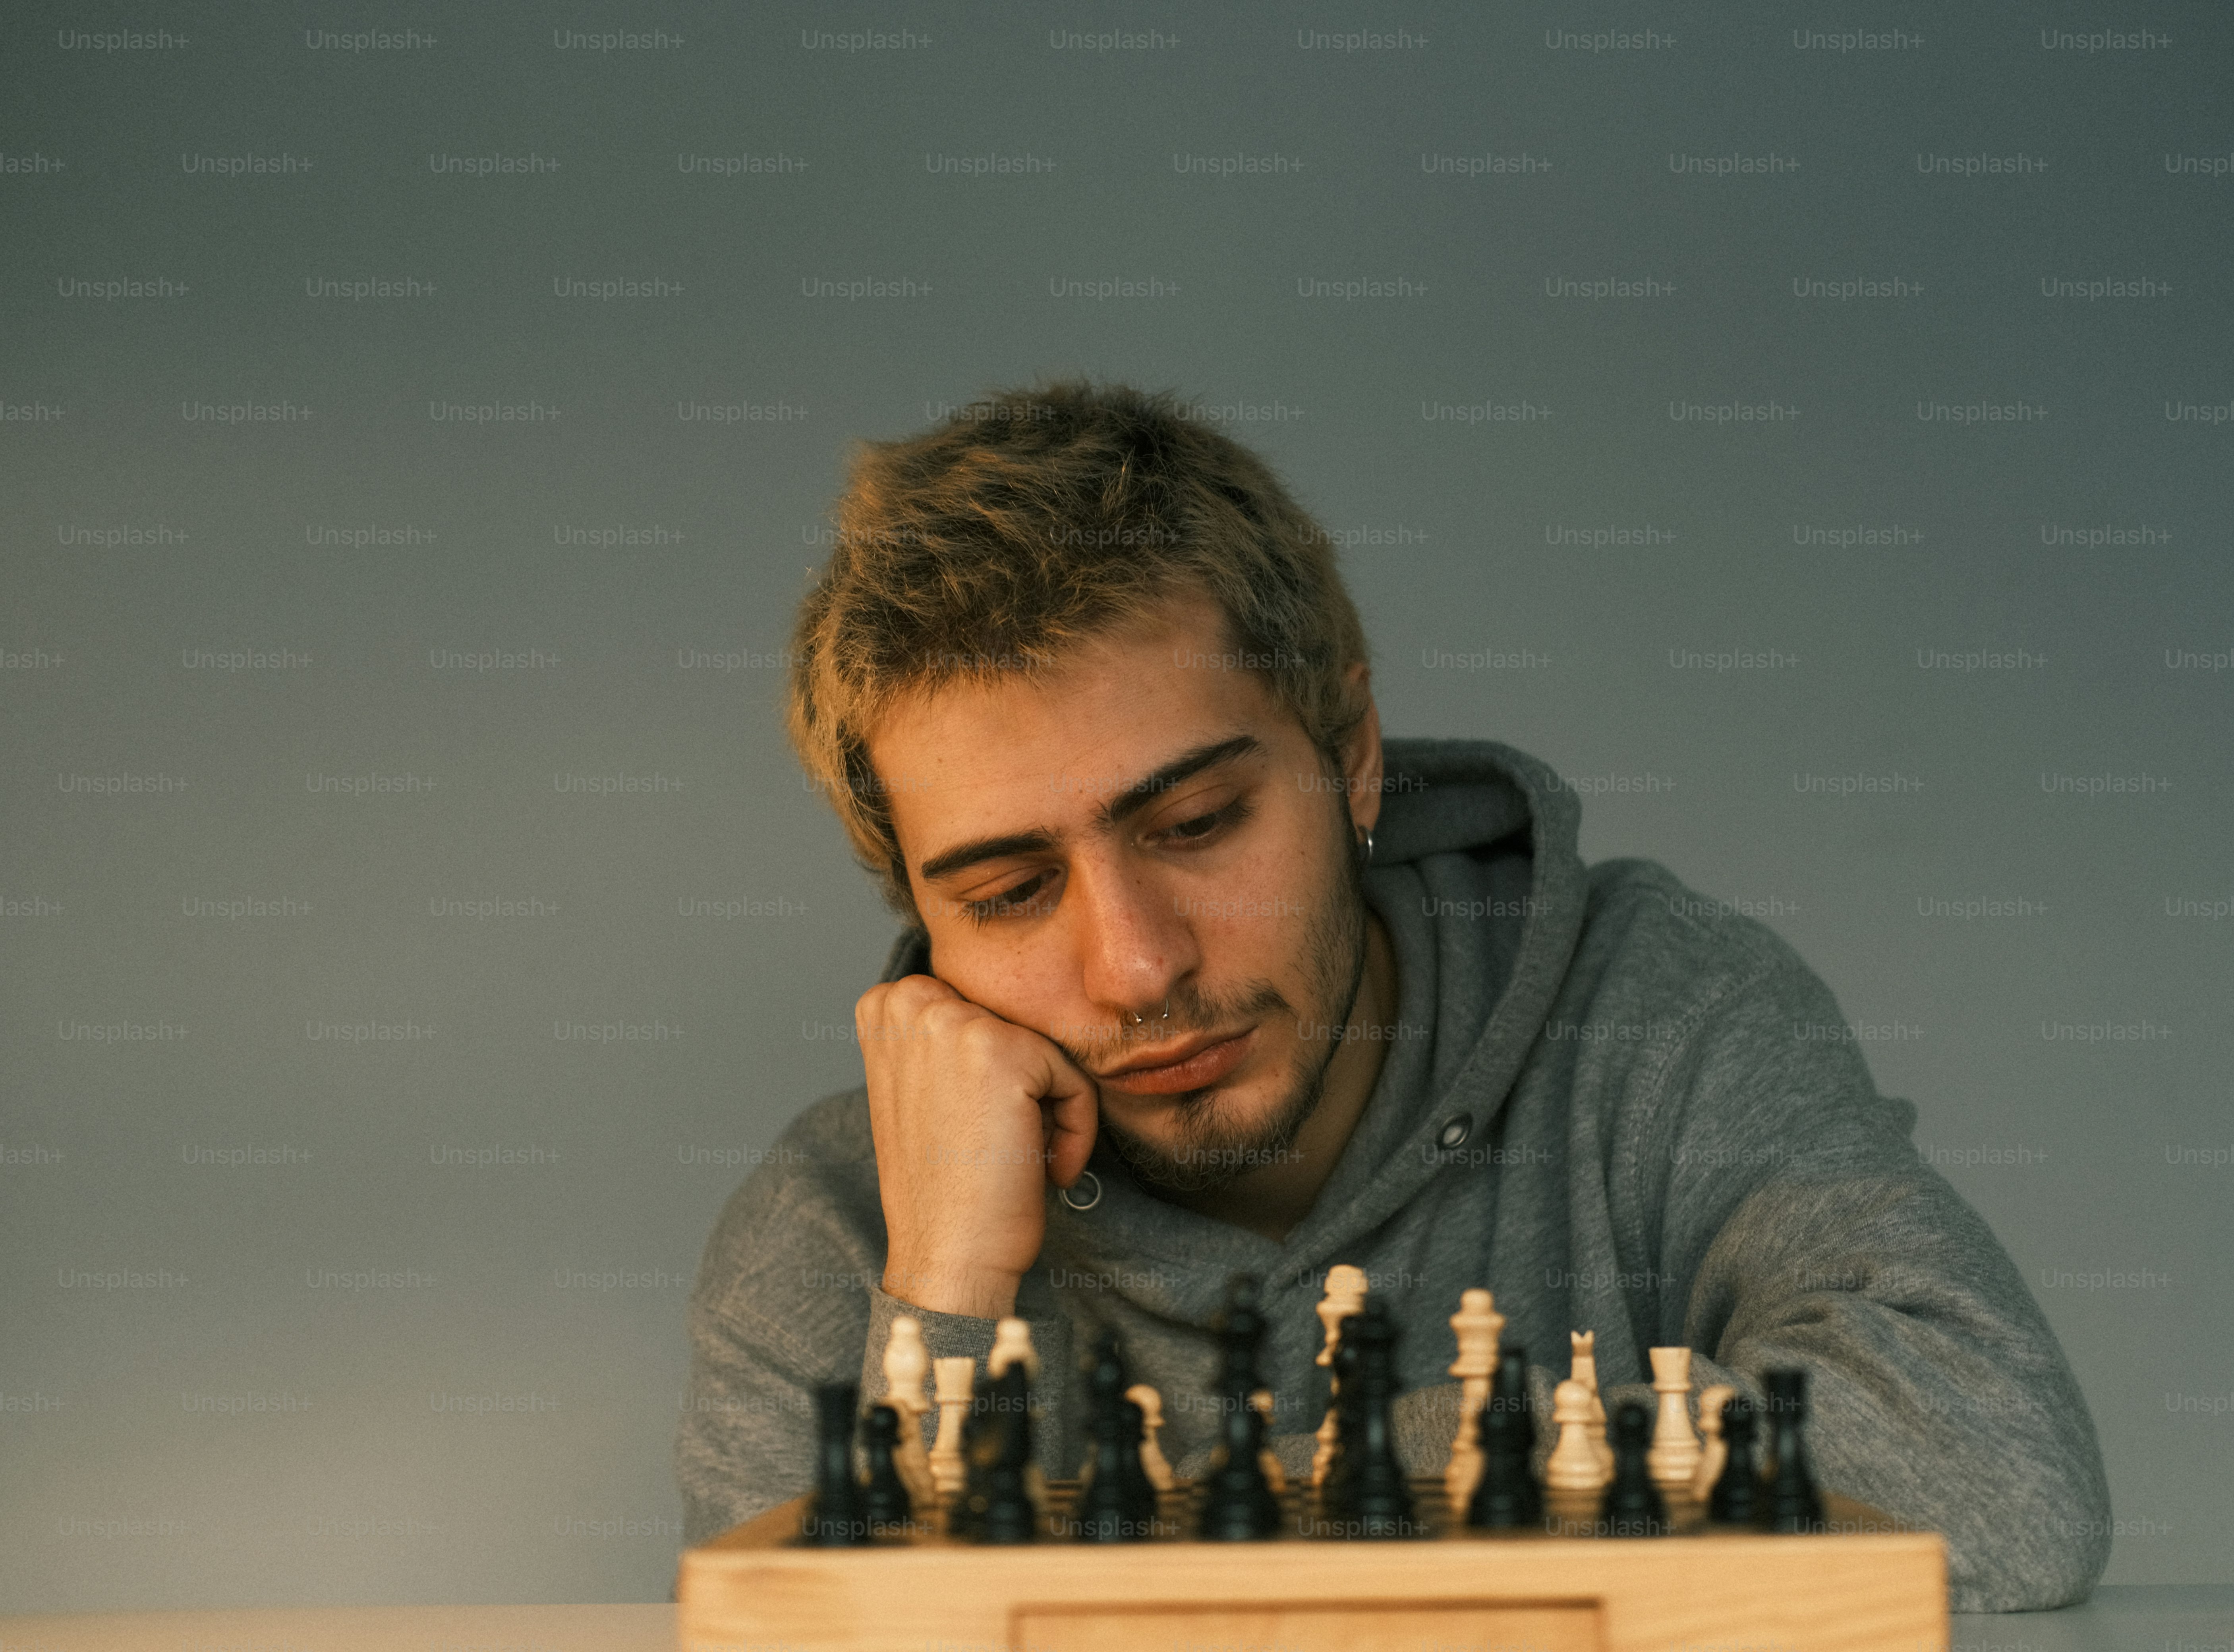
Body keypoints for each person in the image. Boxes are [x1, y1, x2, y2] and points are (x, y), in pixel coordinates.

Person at [674, 380, 2110, 1608]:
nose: (1138, 968)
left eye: (1197, 827)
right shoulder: (837, 1231)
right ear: (919, 917)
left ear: (1351, 754)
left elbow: (1998, 1477)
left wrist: (1338, 1466)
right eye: (1008, 896)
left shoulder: (1658, 1017)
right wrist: (941, 1310)